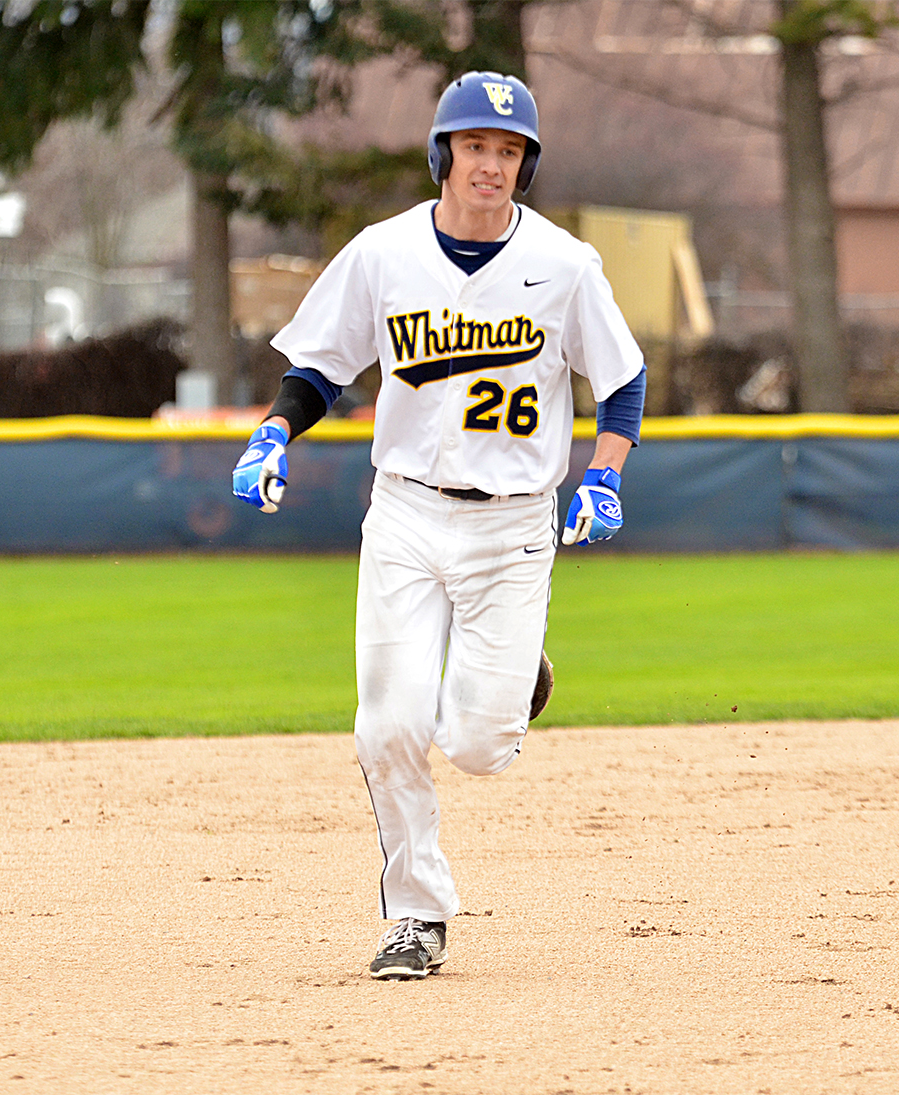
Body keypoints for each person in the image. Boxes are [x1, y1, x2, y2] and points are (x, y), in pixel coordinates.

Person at [232, 71, 646, 980]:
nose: (490, 164)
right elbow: (320, 367)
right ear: (443, 154)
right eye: (474, 146)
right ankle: (416, 915)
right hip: (407, 514)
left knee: (478, 747)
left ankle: (515, 675)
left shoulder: (565, 265)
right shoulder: (383, 254)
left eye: (508, 150)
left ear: (525, 165)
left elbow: (622, 382)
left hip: (513, 526)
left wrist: (604, 475)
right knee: (386, 726)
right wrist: (273, 432)